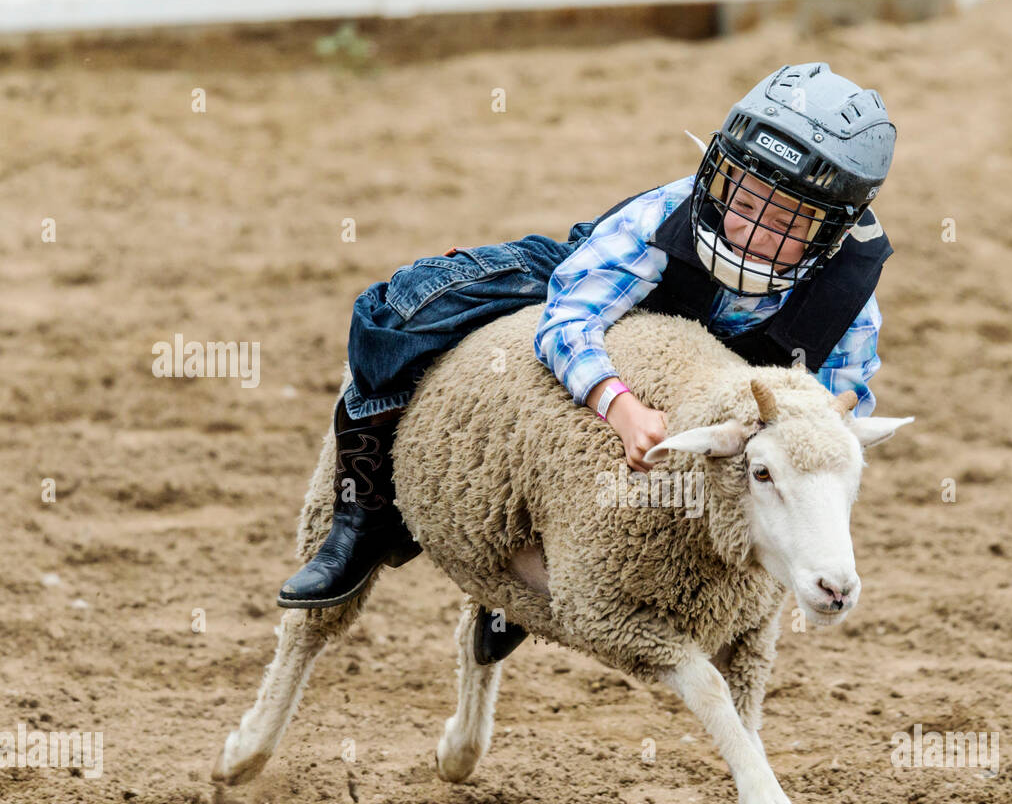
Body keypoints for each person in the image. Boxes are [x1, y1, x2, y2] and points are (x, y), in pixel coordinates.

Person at [277, 61, 896, 667]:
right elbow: (569, 322)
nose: (750, 230)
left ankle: (549, 579)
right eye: (742, 195)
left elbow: (824, 441)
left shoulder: (845, 304)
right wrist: (619, 404)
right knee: (404, 311)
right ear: (718, 170)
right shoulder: (664, 218)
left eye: (788, 219)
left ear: (834, 233)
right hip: (604, 299)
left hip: (727, 392)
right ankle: (363, 519)